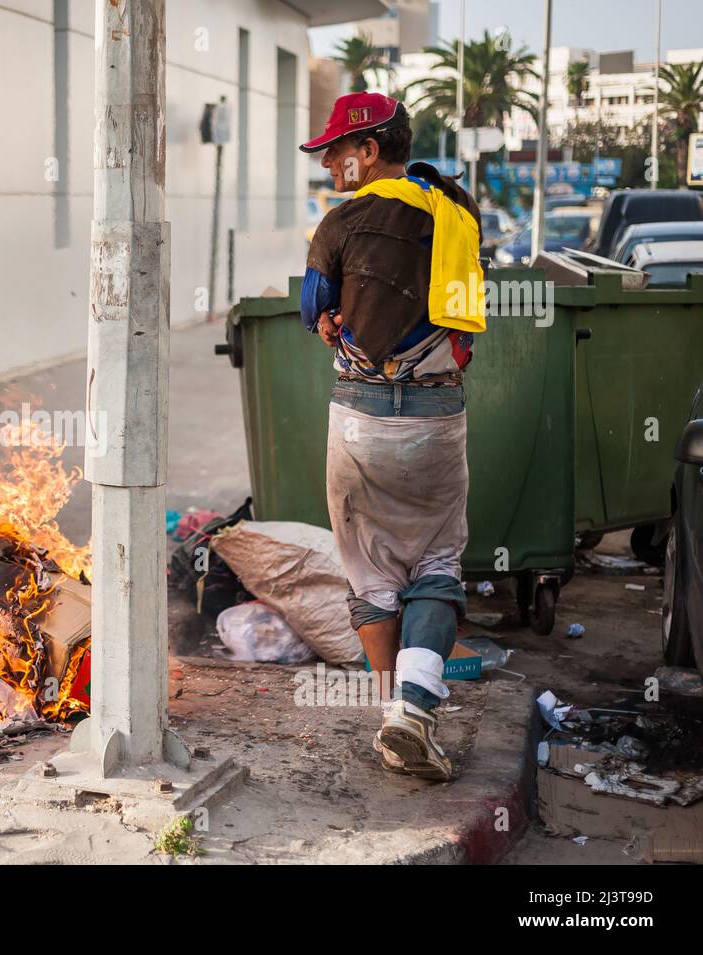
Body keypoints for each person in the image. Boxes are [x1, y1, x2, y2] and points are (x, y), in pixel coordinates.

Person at [298, 92, 486, 782]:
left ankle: (392, 712)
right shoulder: (457, 211)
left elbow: (312, 307)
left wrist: (335, 312)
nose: (331, 166)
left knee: (371, 572)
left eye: (337, 154)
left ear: (369, 151)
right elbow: (465, 318)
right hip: (438, 418)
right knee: (436, 561)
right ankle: (412, 709)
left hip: (360, 422)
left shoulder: (342, 220)